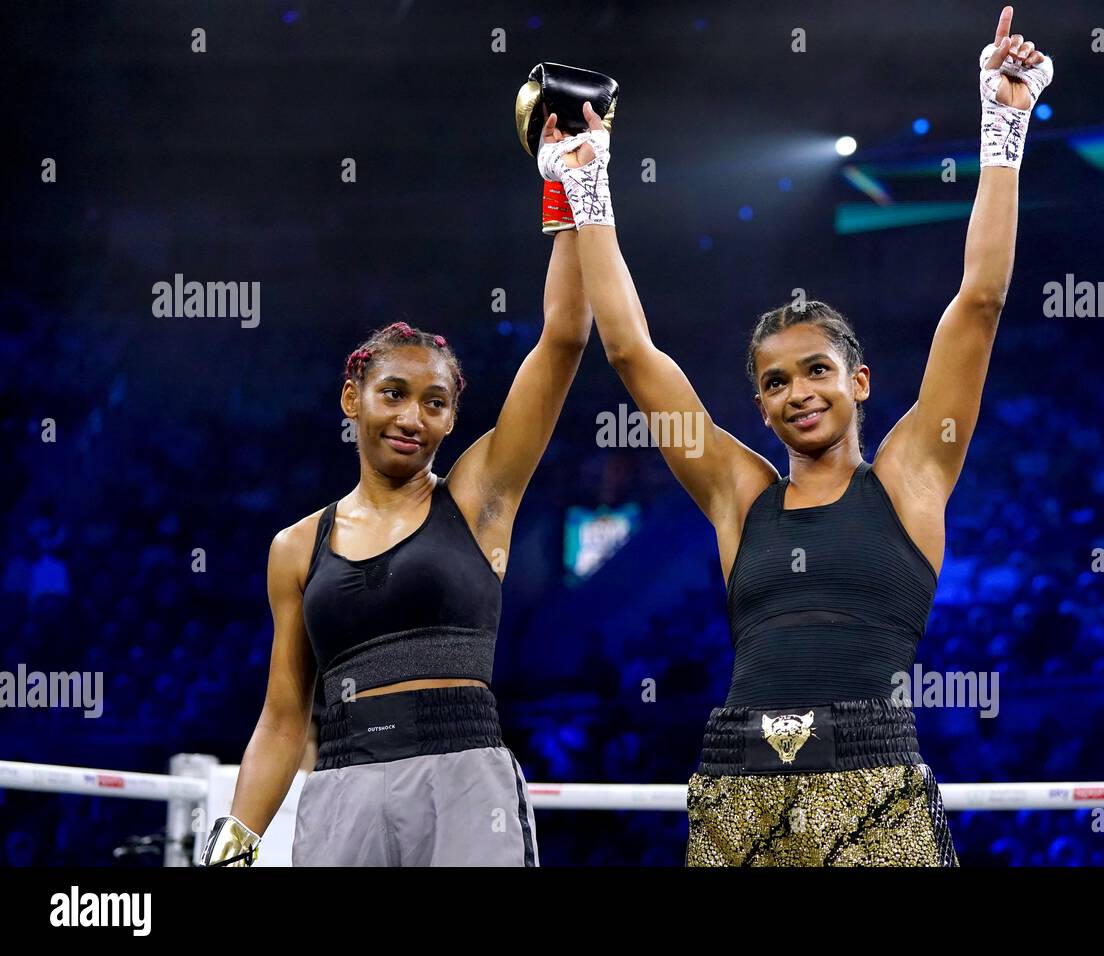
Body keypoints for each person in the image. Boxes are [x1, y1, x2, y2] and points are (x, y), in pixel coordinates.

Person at [540, 5, 1052, 865]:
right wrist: (587, 187)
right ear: (762, 407)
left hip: (872, 782)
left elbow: (981, 302)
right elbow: (630, 351)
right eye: (775, 382)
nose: (797, 393)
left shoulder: (911, 478)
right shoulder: (740, 495)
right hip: (739, 783)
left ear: (858, 382)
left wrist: (1003, 123)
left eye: (816, 370)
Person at [201, 126, 602, 864]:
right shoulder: (295, 547)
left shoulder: (480, 498)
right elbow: (284, 719)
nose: (414, 417)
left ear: (454, 416)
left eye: (437, 402)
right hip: (341, 791)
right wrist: (235, 839)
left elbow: (565, 338)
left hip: (464, 787)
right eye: (394, 393)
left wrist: (570, 179)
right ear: (352, 399)